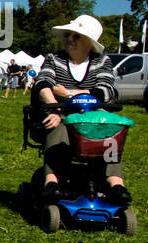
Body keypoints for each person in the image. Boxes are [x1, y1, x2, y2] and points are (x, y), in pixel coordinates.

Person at [33, 15, 129, 205]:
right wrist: (55, 109)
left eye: (77, 36)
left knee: (110, 128)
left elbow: (106, 91)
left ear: (89, 42)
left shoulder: (101, 62)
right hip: (61, 113)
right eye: (68, 35)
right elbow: (43, 84)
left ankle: (116, 184)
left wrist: (68, 93)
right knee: (58, 124)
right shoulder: (54, 59)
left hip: (92, 118)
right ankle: (52, 182)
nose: (70, 39)